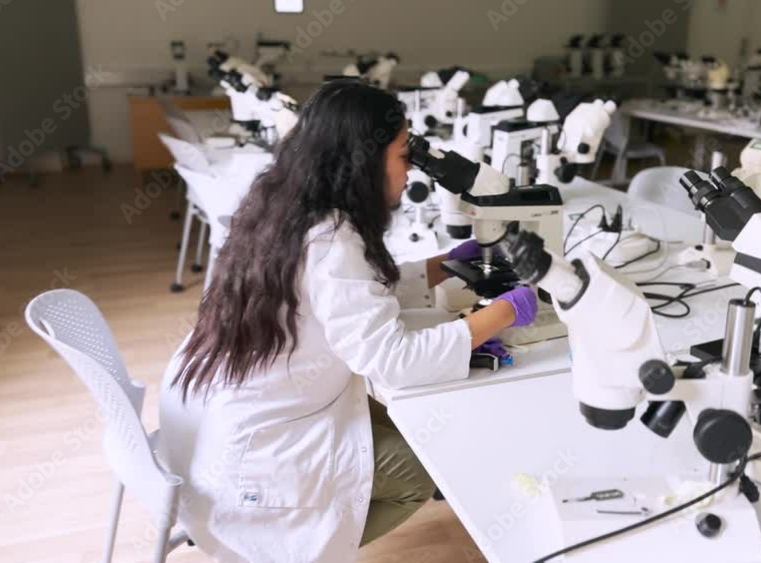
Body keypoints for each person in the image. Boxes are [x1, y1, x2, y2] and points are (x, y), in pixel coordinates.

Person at [157, 78, 537, 563]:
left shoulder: (291, 204)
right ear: (364, 161)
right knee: (422, 473)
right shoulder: (332, 238)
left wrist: (444, 263)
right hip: (265, 453)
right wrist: (506, 311)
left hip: (245, 408)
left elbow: (348, 294)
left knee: (409, 424)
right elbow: (392, 361)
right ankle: (304, 553)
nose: (409, 169)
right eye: (404, 154)